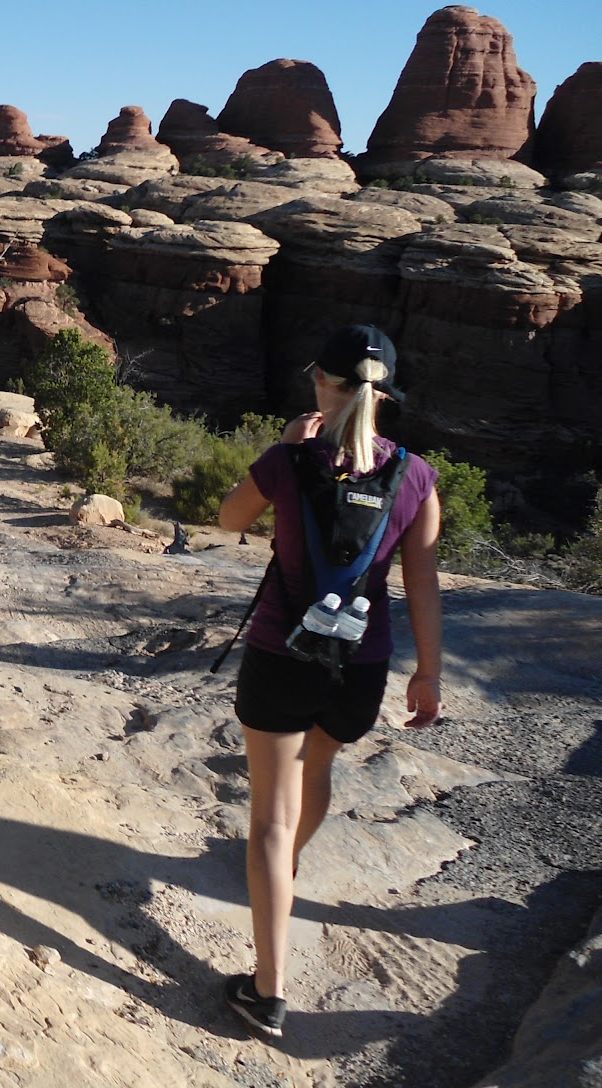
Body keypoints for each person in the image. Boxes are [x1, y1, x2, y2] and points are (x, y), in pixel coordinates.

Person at [216, 323, 443, 1039]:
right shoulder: (416, 476)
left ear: (326, 384)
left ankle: (268, 991)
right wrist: (428, 673)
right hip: (361, 666)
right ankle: (280, 878)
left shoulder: (291, 461)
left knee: (268, 822)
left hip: (281, 656)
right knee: (320, 766)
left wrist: (284, 448)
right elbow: (425, 583)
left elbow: (228, 518)